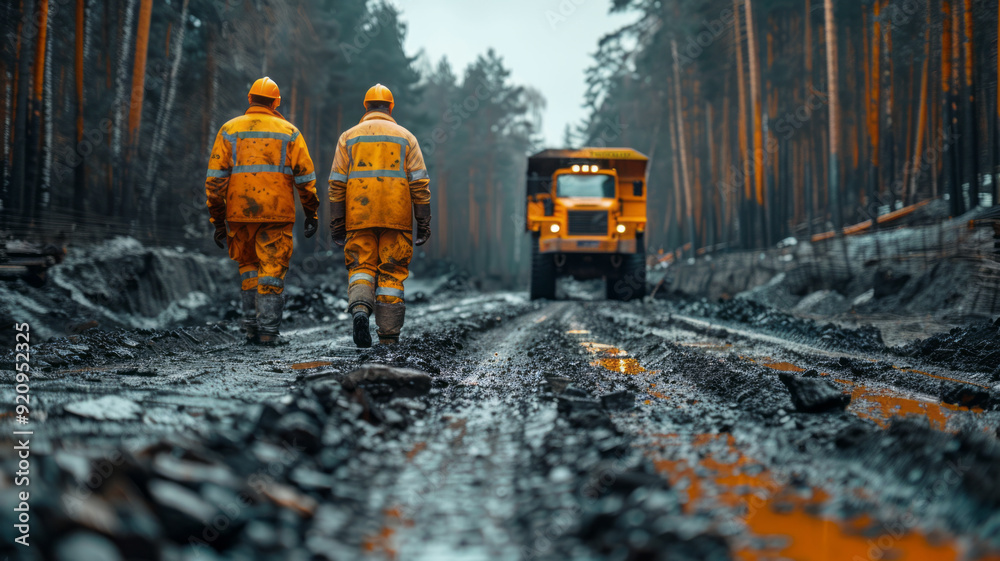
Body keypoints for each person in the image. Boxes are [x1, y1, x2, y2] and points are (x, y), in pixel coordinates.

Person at [205, 77, 319, 345]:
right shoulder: (289, 132)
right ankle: (268, 332)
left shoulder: (228, 130)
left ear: (250, 99)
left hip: (238, 213)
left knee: (248, 269)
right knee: (271, 270)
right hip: (276, 215)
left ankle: (250, 330)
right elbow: (305, 178)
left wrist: (218, 221)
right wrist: (311, 212)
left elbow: (214, 182)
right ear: (276, 102)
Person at [329, 84, 431, 348]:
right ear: (391, 107)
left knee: (361, 267)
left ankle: (361, 308)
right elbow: (420, 183)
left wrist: (337, 222)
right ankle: (388, 337)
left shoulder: (348, 137)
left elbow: (337, 183)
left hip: (358, 216)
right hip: (396, 219)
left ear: (366, 107)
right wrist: (423, 221)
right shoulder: (406, 138)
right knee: (391, 274)